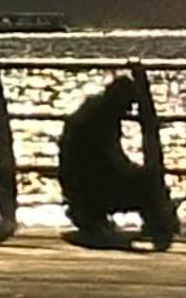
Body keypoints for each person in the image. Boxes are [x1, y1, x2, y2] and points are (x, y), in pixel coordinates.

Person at [56, 71, 177, 249]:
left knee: (142, 178)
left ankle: (89, 216)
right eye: (128, 104)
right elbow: (112, 160)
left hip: (78, 184)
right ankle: (160, 225)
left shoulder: (93, 110)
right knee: (148, 182)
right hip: (91, 186)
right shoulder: (102, 120)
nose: (128, 111)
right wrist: (140, 173)